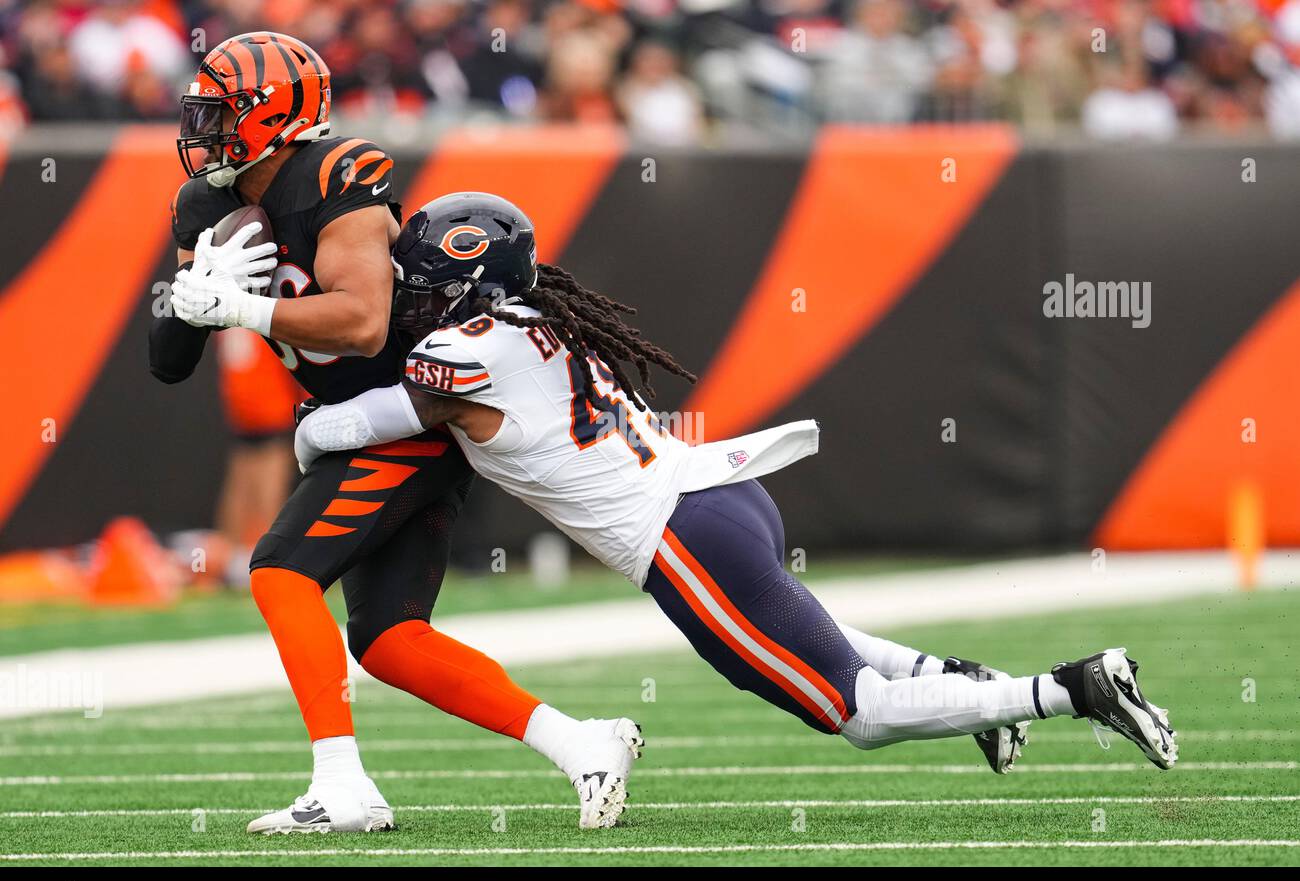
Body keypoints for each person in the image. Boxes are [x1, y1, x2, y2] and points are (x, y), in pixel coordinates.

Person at [295, 192, 1180, 788]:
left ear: (462, 285)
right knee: (802, 629)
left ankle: (1070, 688)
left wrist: (265, 336)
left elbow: (354, 424)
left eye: (420, 283)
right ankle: (960, 681)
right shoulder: (540, 321)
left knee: (857, 716)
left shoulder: (459, 355)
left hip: (679, 536)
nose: (404, 298)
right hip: (720, 492)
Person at [153, 34, 641, 835]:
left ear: (274, 114)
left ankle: (343, 787)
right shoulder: (207, 204)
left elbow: (363, 320)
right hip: (351, 425)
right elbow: (167, 361)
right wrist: (188, 297)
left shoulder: (340, 176)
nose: (204, 129)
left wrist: (242, 308)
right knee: (388, 639)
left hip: (408, 410)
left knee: (279, 571)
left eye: (222, 112)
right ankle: (584, 744)